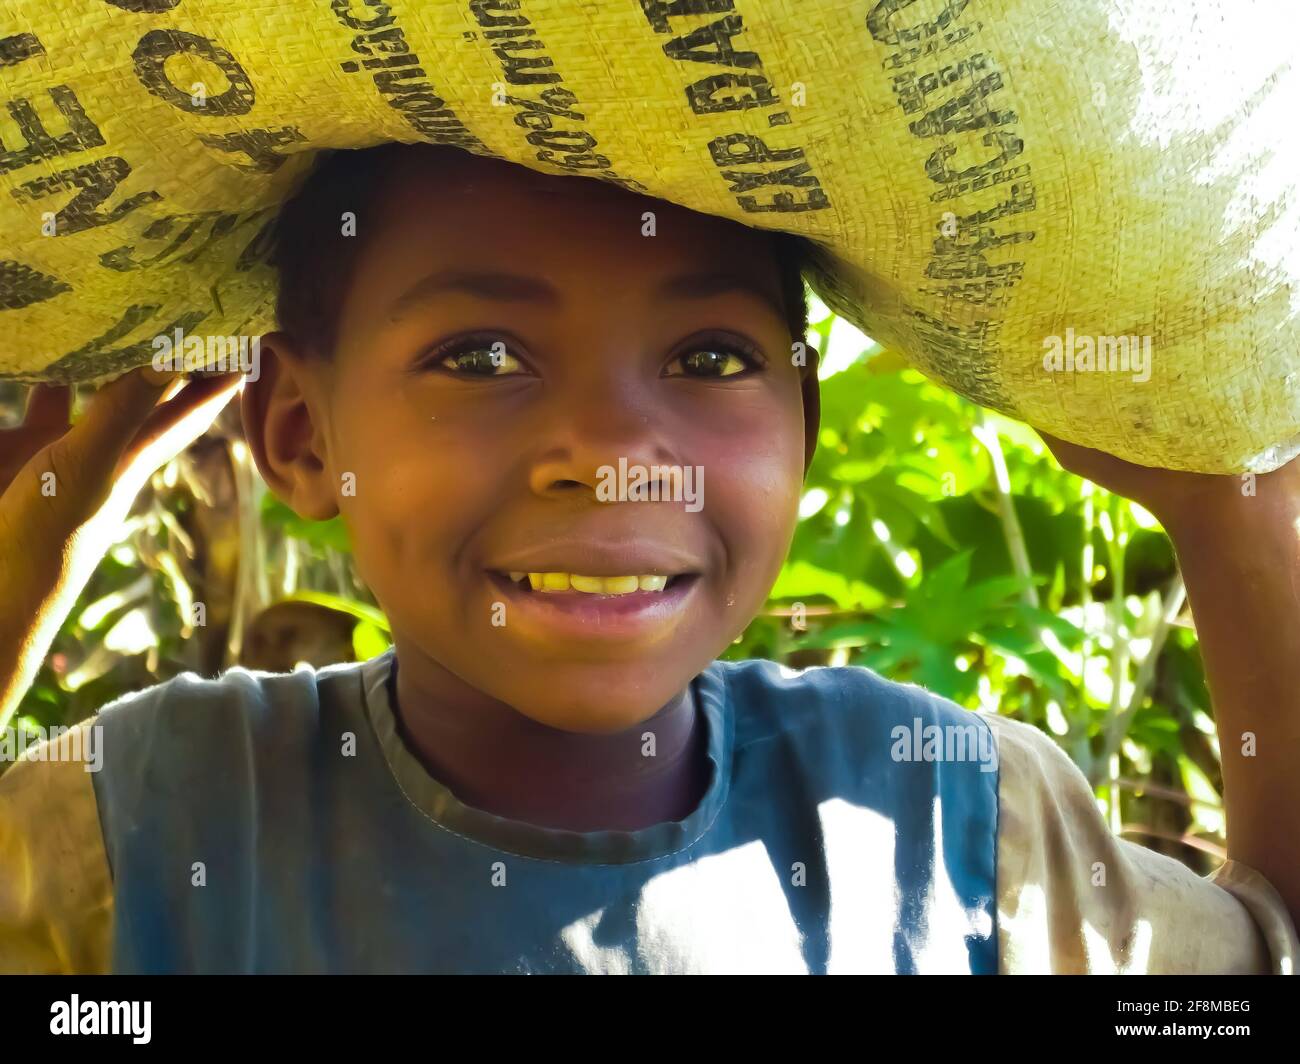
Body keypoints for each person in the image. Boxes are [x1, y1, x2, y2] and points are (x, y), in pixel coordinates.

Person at [0, 143, 1296, 973]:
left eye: (712, 359)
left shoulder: (950, 824)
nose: (613, 452)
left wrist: (1229, 515)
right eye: (482, 357)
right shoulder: (139, 822)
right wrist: (49, 527)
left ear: (806, 425)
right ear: (297, 430)